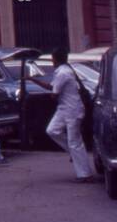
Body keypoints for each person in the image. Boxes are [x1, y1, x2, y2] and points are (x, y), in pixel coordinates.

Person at [29, 46, 96, 182]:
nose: (52, 62)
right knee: (52, 130)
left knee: (75, 142)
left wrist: (46, 95)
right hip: (64, 108)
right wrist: (33, 80)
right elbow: (51, 87)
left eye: (53, 59)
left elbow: (53, 94)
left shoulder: (63, 73)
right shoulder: (64, 70)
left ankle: (85, 174)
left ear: (57, 60)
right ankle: (73, 153)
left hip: (72, 109)